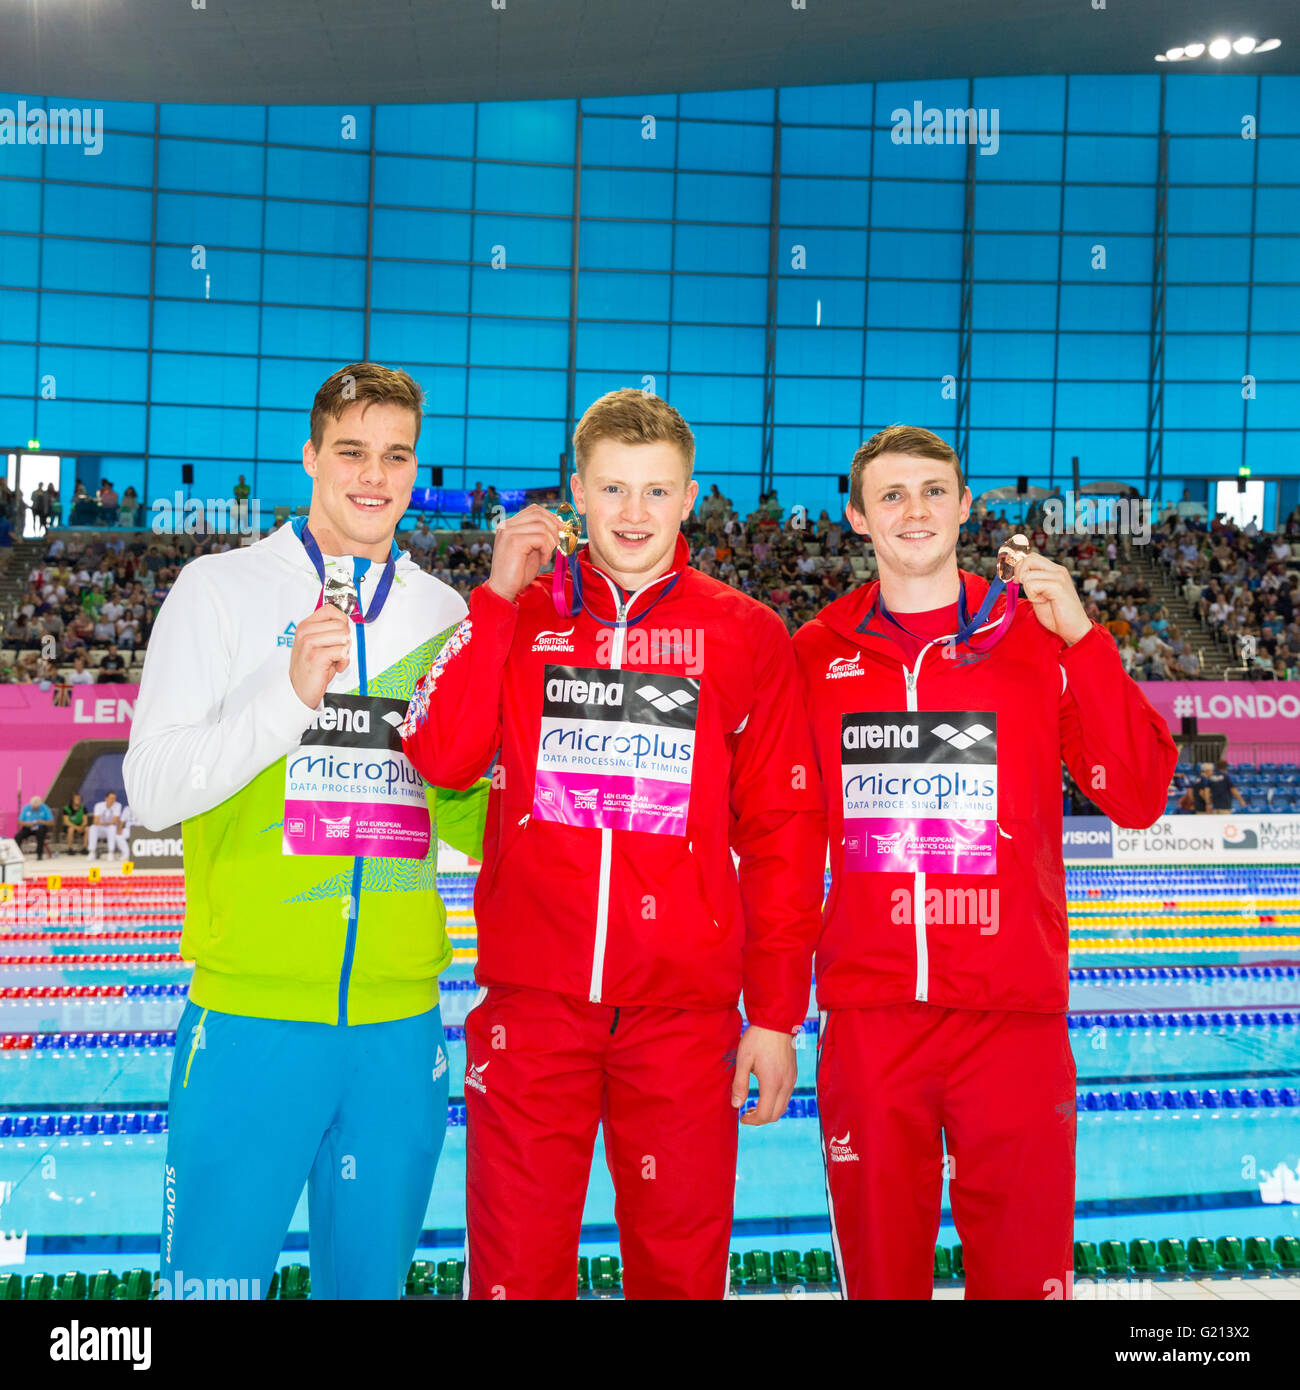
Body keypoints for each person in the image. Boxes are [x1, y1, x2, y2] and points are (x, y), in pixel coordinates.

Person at [400, 387, 826, 1300]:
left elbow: (785, 833)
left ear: (690, 496)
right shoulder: (514, 622)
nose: (635, 513)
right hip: (534, 1004)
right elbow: (441, 754)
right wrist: (497, 600)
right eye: (614, 489)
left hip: (683, 1016)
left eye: (657, 491)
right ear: (576, 494)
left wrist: (776, 1015)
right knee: (514, 1271)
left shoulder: (746, 636)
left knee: (679, 1271)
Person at [124, 361, 487, 1301]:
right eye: (353, 451)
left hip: (400, 1026)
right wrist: (283, 702)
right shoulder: (220, 590)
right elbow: (153, 788)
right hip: (252, 1018)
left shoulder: (445, 615)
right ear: (311, 456)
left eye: (397, 455)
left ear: (417, 469)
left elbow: (462, 809)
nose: (375, 475)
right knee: (211, 1290)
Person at [792, 425, 1177, 1300]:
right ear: (856, 518)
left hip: (1013, 1017)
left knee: (1023, 1278)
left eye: (933, 490)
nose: (914, 510)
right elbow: (780, 836)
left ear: (967, 506)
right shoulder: (816, 654)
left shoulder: (1037, 638)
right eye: (890, 495)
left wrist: (1083, 635)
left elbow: (1141, 795)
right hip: (872, 1018)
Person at [88, 791, 128, 859]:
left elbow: (114, 821)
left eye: (114, 798)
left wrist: (103, 823)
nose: (113, 800)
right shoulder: (98, 805)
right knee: (92, 828)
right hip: (101, 829)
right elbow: (95, 821)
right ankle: (92, 852)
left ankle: (111, 852)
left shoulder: (118, 805)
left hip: (111, 829)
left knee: (112, 828)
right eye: (111, 798)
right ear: (106, 798)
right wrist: (104, 823)